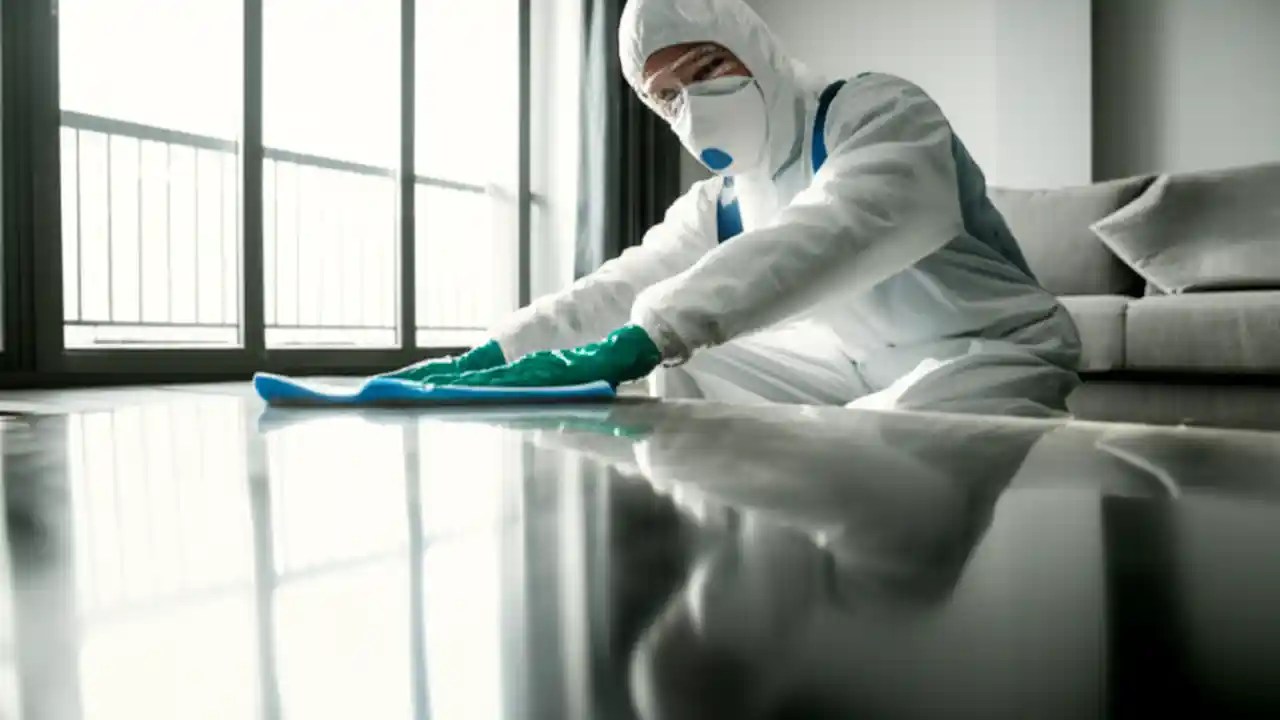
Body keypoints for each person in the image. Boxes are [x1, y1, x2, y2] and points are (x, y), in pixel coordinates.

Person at [389, 0, 1082, 416]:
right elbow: (621, 284)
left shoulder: (877, 112)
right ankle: (732, 537)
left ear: (752, 46)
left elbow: (835, 228)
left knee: (895, 448)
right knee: (684, 367)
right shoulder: (722, 202)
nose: (690, 106)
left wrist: (649, 333)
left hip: (989, 349)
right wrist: (495, 349)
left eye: (704, 69)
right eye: (667, 96)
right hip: (858, 361)